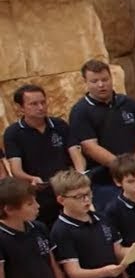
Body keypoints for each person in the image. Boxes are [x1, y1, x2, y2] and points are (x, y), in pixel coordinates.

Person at [69, 59, 135, 214]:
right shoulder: (80, 111)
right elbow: (90, 147)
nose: (101, 85)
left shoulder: (129, 103)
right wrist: (123, 168)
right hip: (106, 184)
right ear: (85, 83)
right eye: (95, 81)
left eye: (105, 79)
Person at [5, 84, 84, 227]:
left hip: (67, 190)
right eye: (34, 104)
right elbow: (16, 170)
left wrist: (80, 175)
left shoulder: (59, 125)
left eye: (43, 102)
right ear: (21, 108)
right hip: (39, 195)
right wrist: (31, 179)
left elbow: (75, 154)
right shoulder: (13, 133)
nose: (41, 107)